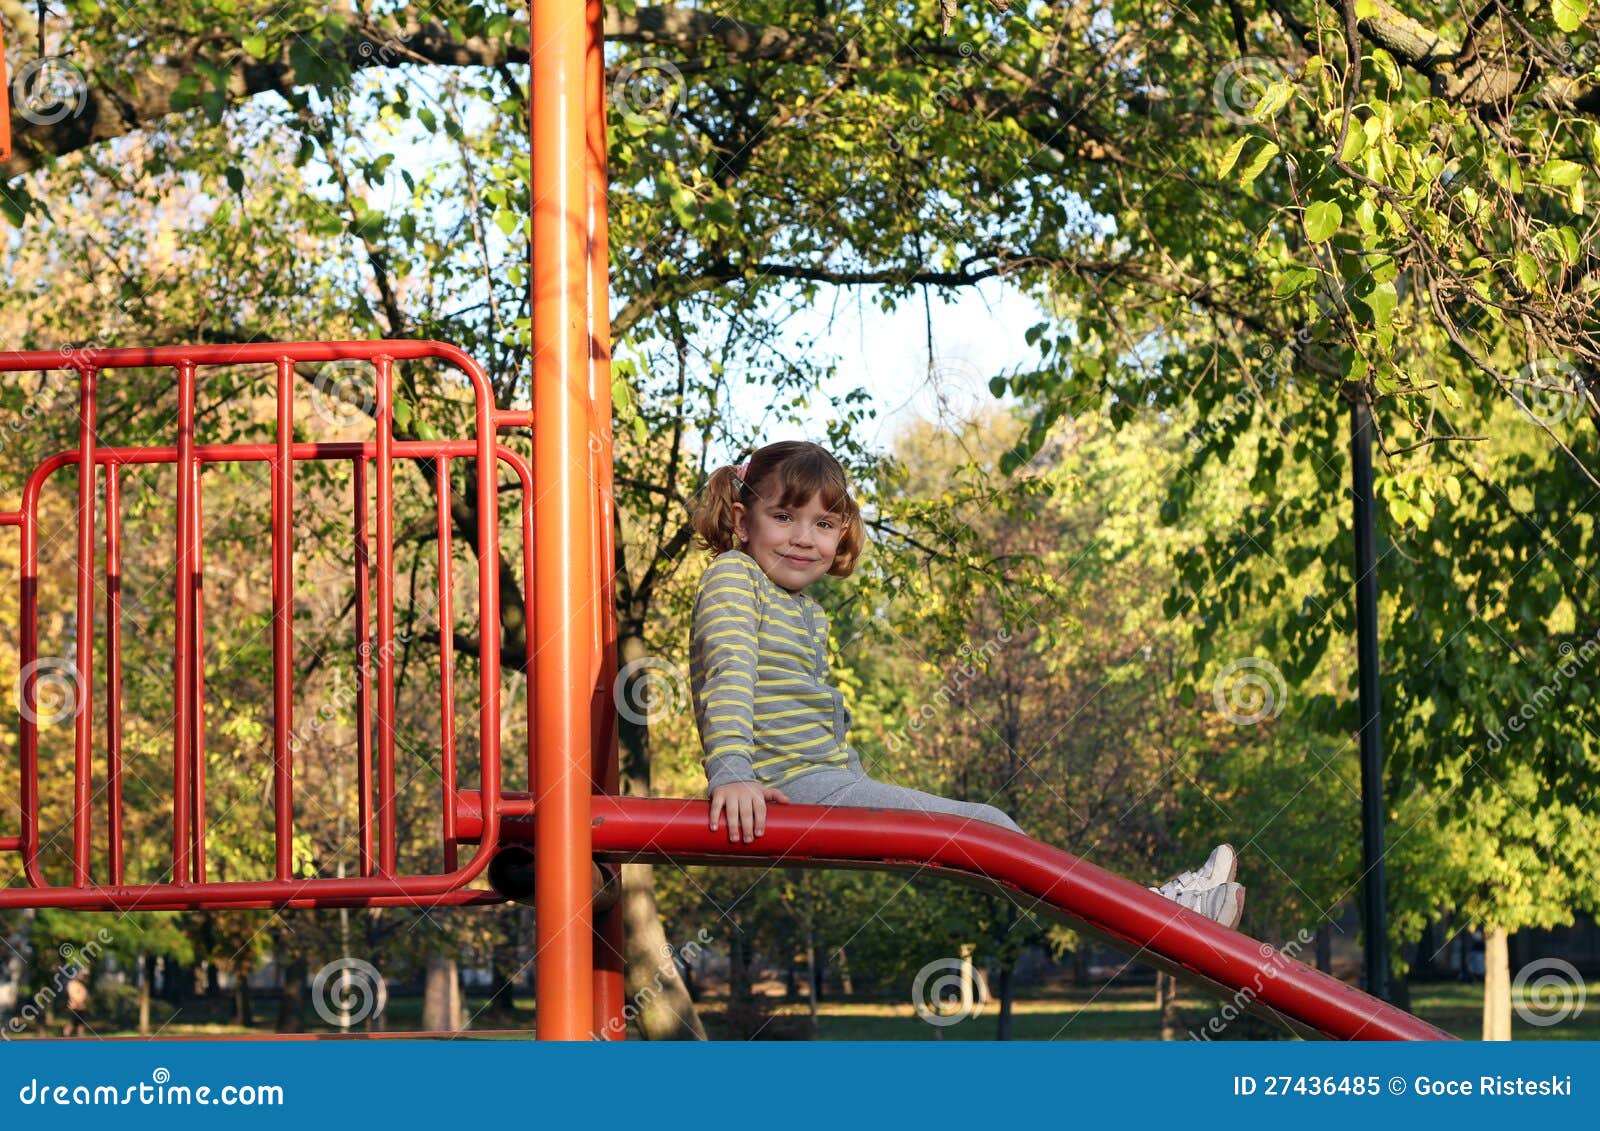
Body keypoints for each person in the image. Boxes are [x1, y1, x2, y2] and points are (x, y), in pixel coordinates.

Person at [687, 440, 1247, 928]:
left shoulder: (799, 606)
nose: (804, 538)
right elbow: (727, 671)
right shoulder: (737, 577)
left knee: (993, 840)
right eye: (784, 517)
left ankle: (1151, 913)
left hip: (822, 782)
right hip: (793, 789)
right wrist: (733, 774)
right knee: (989, 828)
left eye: (824, 524)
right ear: (741, 522)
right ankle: (1154, 913)